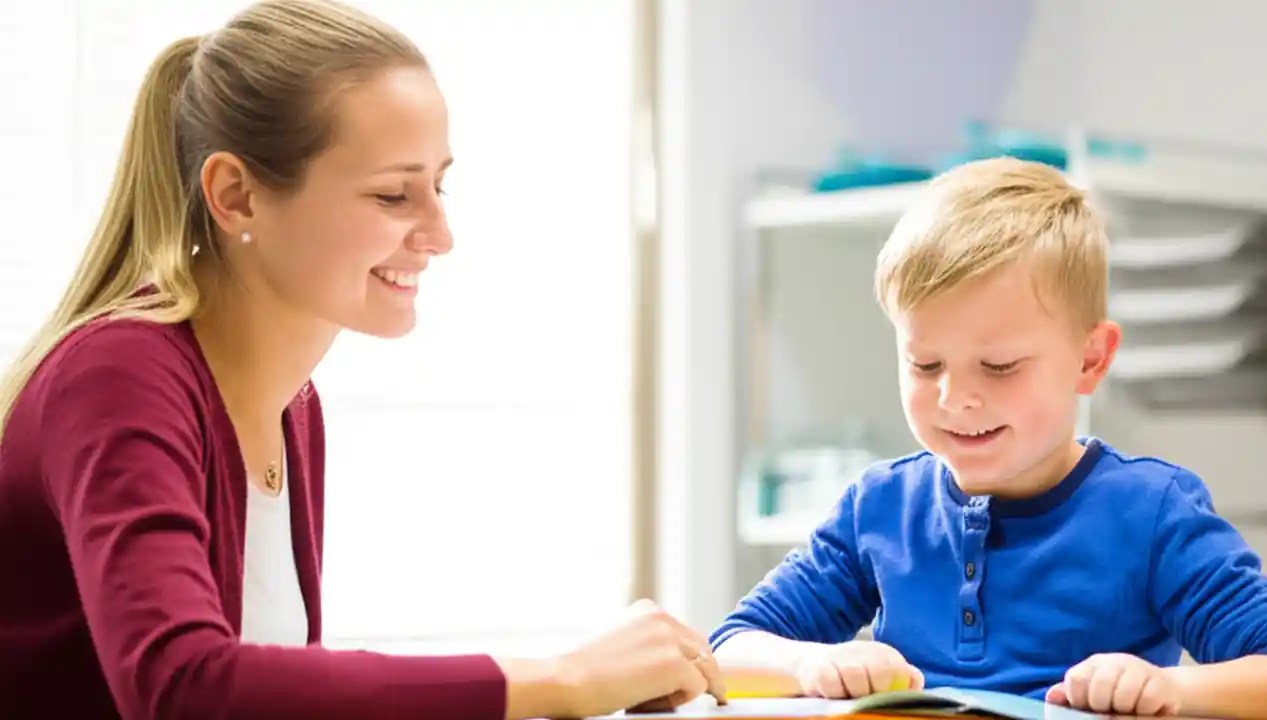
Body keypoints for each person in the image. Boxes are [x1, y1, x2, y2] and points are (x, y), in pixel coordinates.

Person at [0, 1, 726, 718]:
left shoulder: (293, 405)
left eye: (437, 186)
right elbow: (182, 686)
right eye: (392, 194)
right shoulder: (119, 375)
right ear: (236, 195)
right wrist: (558, 680)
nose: (440, 235)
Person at [709, 157, 1267, 718]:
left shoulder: (1152, 514)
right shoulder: (878, 509)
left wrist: (1171, 688)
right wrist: (809, 664)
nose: (954, 399)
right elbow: (729, 650)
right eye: (926, 364)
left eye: (1000, 366)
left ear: (1090, 359)